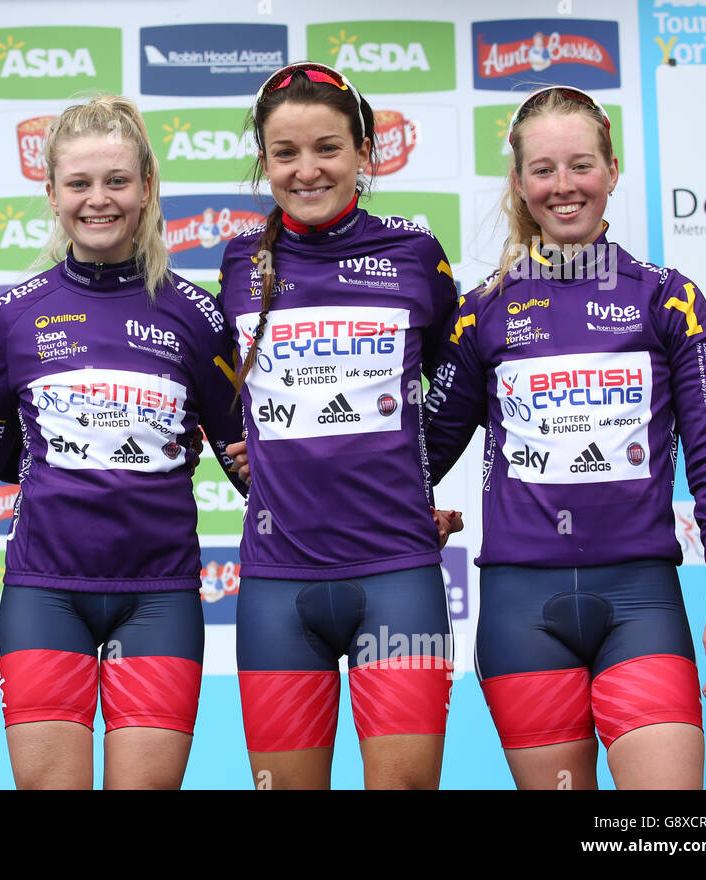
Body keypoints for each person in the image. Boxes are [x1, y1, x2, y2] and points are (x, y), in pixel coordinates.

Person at [424, 86, 706, 789]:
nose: (563, 187)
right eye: (543, 170)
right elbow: (417, 456)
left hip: (642, 601)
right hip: (520, 610)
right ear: (519, 182)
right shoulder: (483, 313)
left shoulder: (669, 299)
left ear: (612, 170)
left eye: (581, 166)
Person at [0, 94, 245, 789]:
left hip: (160, 595)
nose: (97, 200)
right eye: (78, 183)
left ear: (147, 189)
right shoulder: (12, 316)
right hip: (45, 593)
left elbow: (246, 460)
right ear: (51, 193)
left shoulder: (196, 316)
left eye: (116, 182)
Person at [216, 62, 459, 790]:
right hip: (276, 584)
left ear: (364, 152)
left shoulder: (415, 256)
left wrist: (413, 482)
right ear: (264, 162)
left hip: (398, 574)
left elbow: (463, 388)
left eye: (328, 148)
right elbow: (219, 402)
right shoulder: (237, 263)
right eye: (285, 153)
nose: (307, 169)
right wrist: (251, 461)